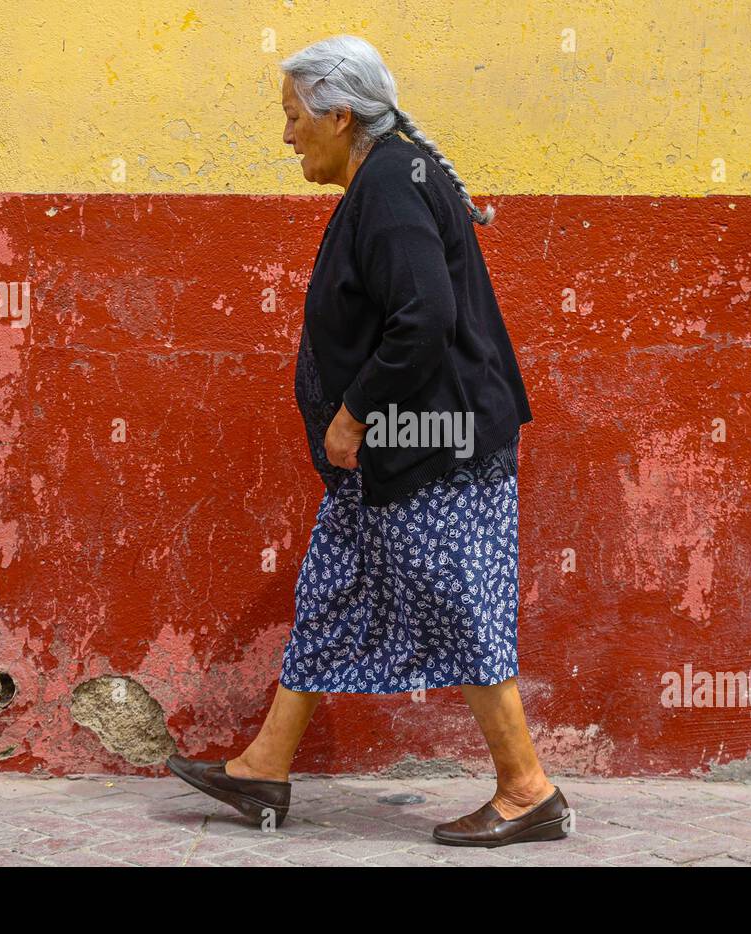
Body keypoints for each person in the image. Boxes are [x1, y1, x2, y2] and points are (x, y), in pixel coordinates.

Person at [166, 34, 569, 849]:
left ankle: (529, 791)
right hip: (394, 453)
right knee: (331, 591)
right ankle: (264, 767)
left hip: (433, 450)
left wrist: (351, 412)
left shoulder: (390, 183)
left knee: (458, 606)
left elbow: (424, 318)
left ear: (340, 115)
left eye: (293, 116)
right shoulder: (389, 176)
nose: (287, 135)